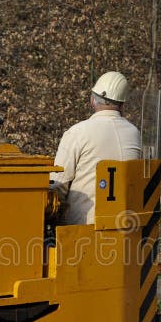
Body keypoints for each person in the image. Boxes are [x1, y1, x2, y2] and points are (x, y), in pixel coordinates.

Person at [50, 71, 142, 225]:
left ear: (92, 100)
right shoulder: (134, 133)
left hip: (84, 227)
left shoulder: (77, 132)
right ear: (122, 104)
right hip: (126, 225)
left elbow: (58, 185)